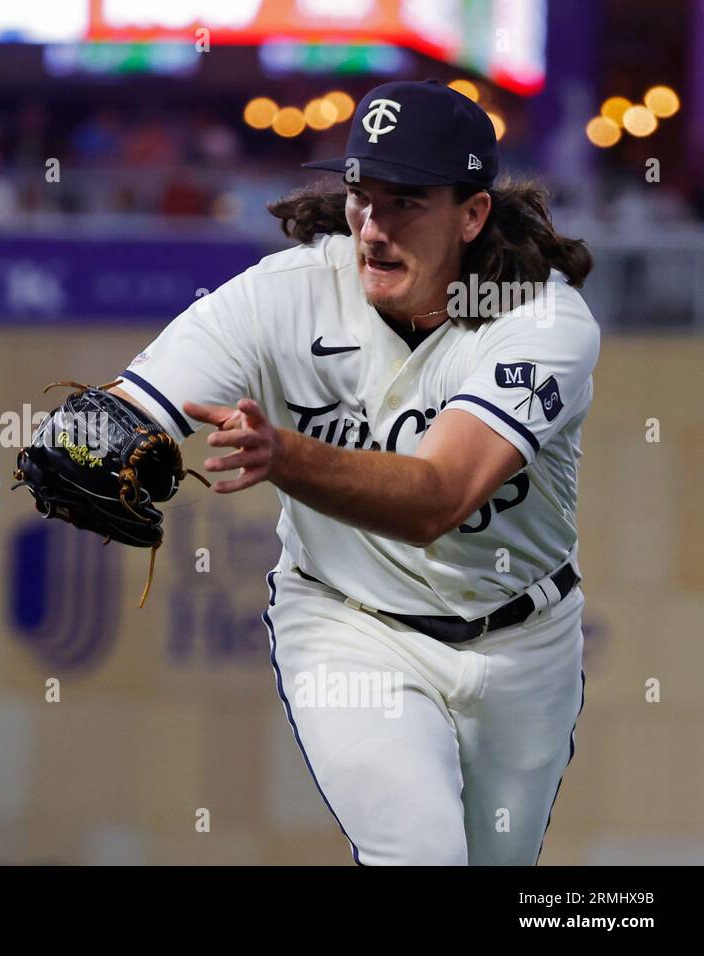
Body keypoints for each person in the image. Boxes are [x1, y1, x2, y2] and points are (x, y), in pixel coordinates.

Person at [107, 80, 598, 864]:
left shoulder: (539, 319)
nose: (373, 226)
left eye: (405, 201)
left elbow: (436, 498)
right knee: (422, 856)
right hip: (351, 625)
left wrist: (285, 455)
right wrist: (92, 440)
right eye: (361, 195)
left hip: (524, 645)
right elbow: (140, 404)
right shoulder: (288, 293)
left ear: (472, 215)